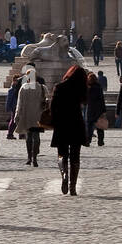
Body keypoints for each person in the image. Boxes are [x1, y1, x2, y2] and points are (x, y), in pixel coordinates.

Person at [50, 64, 89, 195]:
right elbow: (85, 102)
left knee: (62, 154)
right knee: (75, 157)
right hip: (76, 124)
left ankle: (64, 175)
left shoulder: (59, 87)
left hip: (61, 124)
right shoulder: (81, 89)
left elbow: (53, 107)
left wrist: (54, 123)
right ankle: (73, 187)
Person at [14, 70, 47, 166]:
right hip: (38, 115)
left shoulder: (23, 88)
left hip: (27, 115)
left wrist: (17, 115)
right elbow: (46, 100)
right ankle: (35, 157)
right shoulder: (42, 87)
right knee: (36, 137)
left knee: (28, 137)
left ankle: (29, 157)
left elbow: (19, 104)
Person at [85, 69, 107, 145]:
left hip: (91, 108)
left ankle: (88, 140)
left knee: (89, 126)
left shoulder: (88, 88)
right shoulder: (99, 87)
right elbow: (102, 99)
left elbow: (85, 99)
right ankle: (100, 141)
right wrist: (104, 110)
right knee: (99, 126)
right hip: (99, 108)